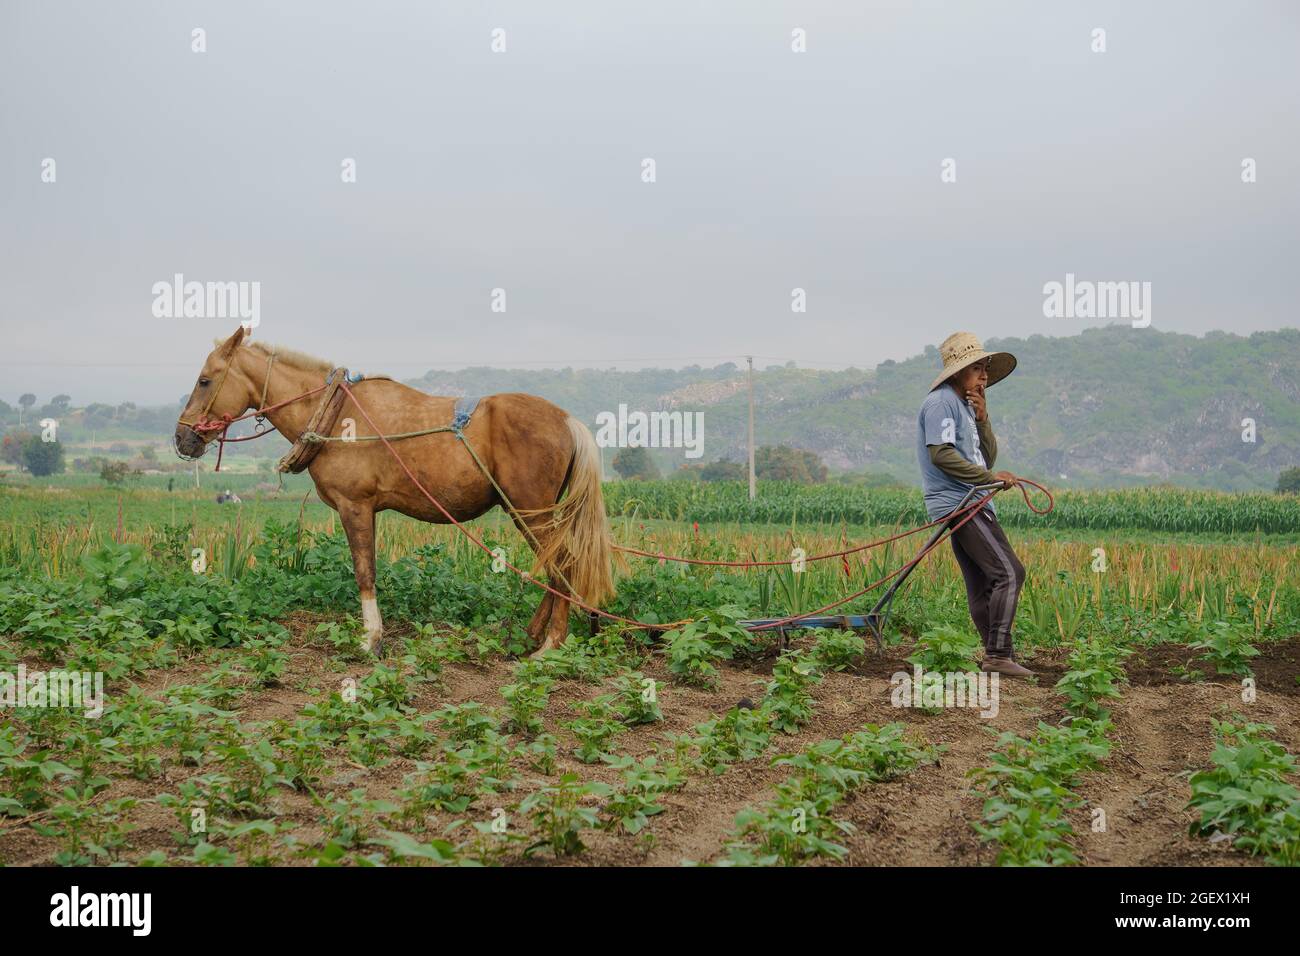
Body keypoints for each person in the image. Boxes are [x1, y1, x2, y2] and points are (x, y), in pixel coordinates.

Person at [916, 332, 1032, 677]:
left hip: (972, 500)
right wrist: (990, 479)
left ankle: (995, 655)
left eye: (984, 369)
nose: (983, 376)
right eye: (977, 368)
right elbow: (941, 455)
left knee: (984, 581)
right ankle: (997, 654)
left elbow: (985, 457)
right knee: (1010, 572)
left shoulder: (965, 407)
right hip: (961, 502)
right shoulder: (941, 403)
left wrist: (983, 420)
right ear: (957, 372)